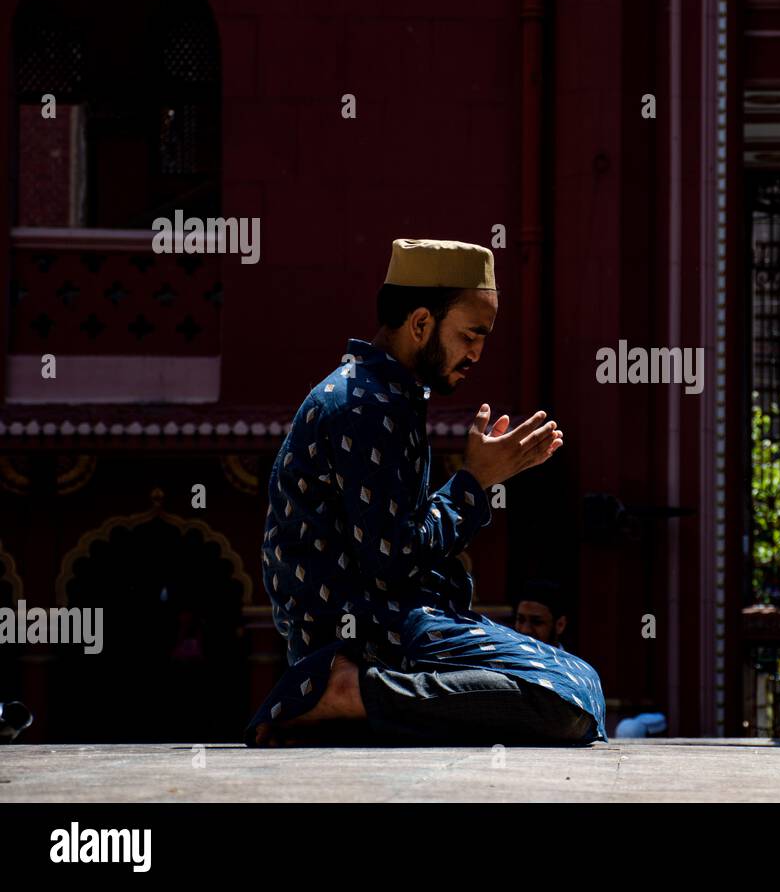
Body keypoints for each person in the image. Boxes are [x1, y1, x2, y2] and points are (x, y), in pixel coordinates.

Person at [246, 239, 607, 747]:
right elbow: (392, 561)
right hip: (368, 631)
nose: (478, 353)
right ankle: (348, 693)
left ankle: (360, 699)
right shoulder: (366, 405)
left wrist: (475, 483)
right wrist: (475, 484)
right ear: (420, 324)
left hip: (398, 621)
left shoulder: (383, 395)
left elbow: (395, 540)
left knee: (578, 680)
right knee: (565, 698)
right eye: (471, 334)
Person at [513, 579, 569, 650]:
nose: (525, 630)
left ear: (560, 625)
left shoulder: (571, 661)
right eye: (521, 620)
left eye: (536, 622)